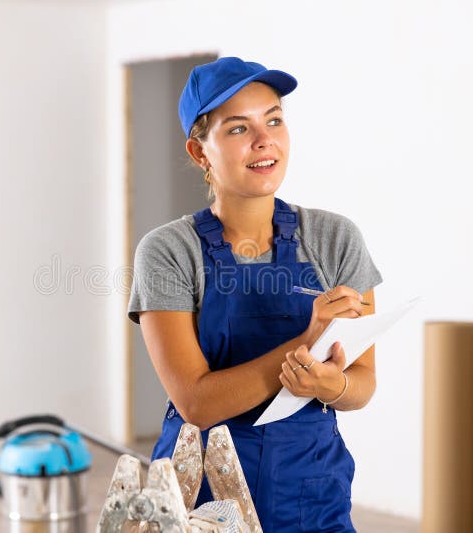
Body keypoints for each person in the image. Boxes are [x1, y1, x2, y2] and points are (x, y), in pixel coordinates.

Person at [127, 57, 382, 532]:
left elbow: (362, 382)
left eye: (274, 120)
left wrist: (329, 386)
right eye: (238, 128)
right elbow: (196, 403)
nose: (264, 140)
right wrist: (305, 344)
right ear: (200, 152)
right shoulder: (168, 251)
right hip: (202, 496)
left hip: (310, 493)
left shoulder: (335, 238)